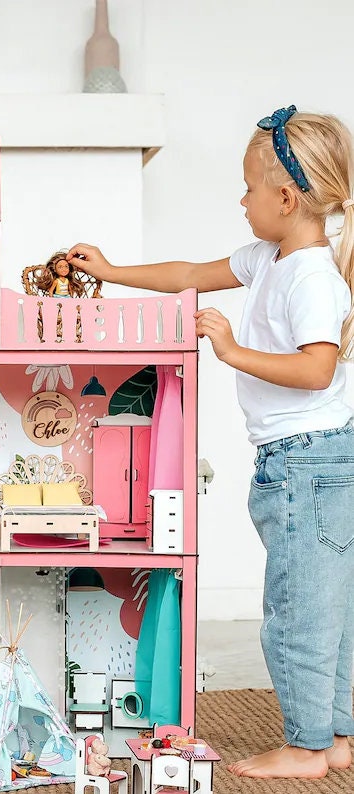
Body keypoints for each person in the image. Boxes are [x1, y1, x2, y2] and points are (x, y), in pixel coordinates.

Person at [67, 105, 354, 781]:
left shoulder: (311, 276)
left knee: (295, 612)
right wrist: (111, 269)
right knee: (326, 604)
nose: (242, 200)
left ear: (285, 198)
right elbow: (187, 272)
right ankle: (337, 736)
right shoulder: (270, 259)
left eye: (249, 188)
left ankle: (308, 746)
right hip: (312, 459)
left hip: (306, 462)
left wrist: (231, 348)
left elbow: (317, 369)